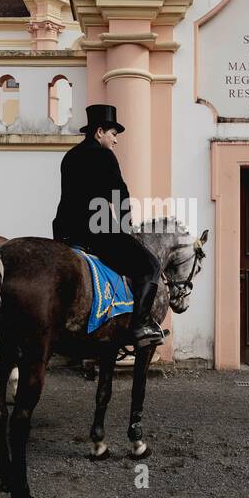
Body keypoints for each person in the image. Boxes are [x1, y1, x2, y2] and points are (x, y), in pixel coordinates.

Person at [52, 104, 164, 347]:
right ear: (100, 131)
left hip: (66, 232)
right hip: (99, 231)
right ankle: (139, 325)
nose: (116, 140)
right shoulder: (104, 155)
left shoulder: (69, 157)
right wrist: (126, 229)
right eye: (114, 134)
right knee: (151, 266)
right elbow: (119, 194)